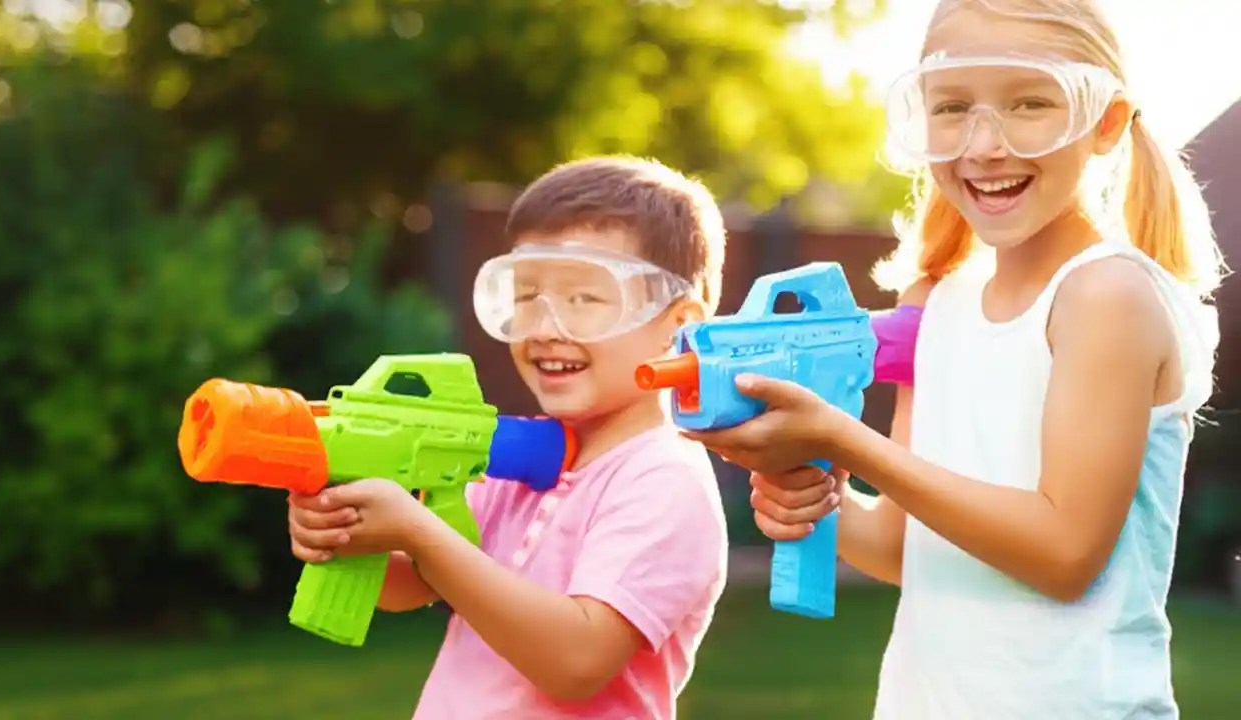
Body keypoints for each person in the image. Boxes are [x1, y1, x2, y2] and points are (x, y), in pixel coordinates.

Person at [683, 1, 1226, 718]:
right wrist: (808, 487)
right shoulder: (935, 298)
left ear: (1104, 122)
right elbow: (901, 548)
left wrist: (840, 440)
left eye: (1030, 104)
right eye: (952, 108)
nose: (984, 144)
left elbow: (1065, 553)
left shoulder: (1105, 295)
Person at [287, 156, 730, 719]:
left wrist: (419, 532)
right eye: (526, 299)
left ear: (678, 322)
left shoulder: (664, 480)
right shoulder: (519, 460)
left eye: (585, 300)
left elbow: (576, 662)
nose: (546, 327)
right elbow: (413, 585)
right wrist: (346, 529)